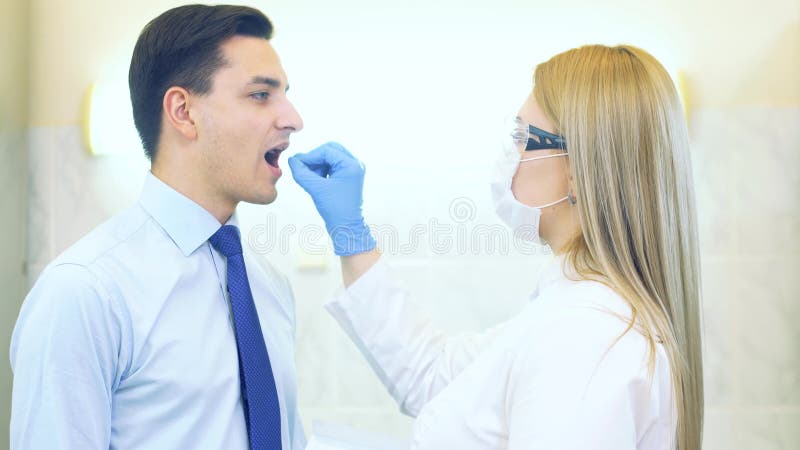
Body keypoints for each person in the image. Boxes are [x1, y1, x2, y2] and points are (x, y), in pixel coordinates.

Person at [289, 44, 703, 450]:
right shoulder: (570, 309)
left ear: (578, 171)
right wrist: (351, 233)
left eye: (524, 137)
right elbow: (434, 378)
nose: (511, 154)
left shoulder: (585, 333)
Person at [10, 5, 305, 449]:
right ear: (183, 112)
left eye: (284, 94)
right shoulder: (84, 293)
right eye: (261, 95)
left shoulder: (269, 286)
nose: (292, 118)